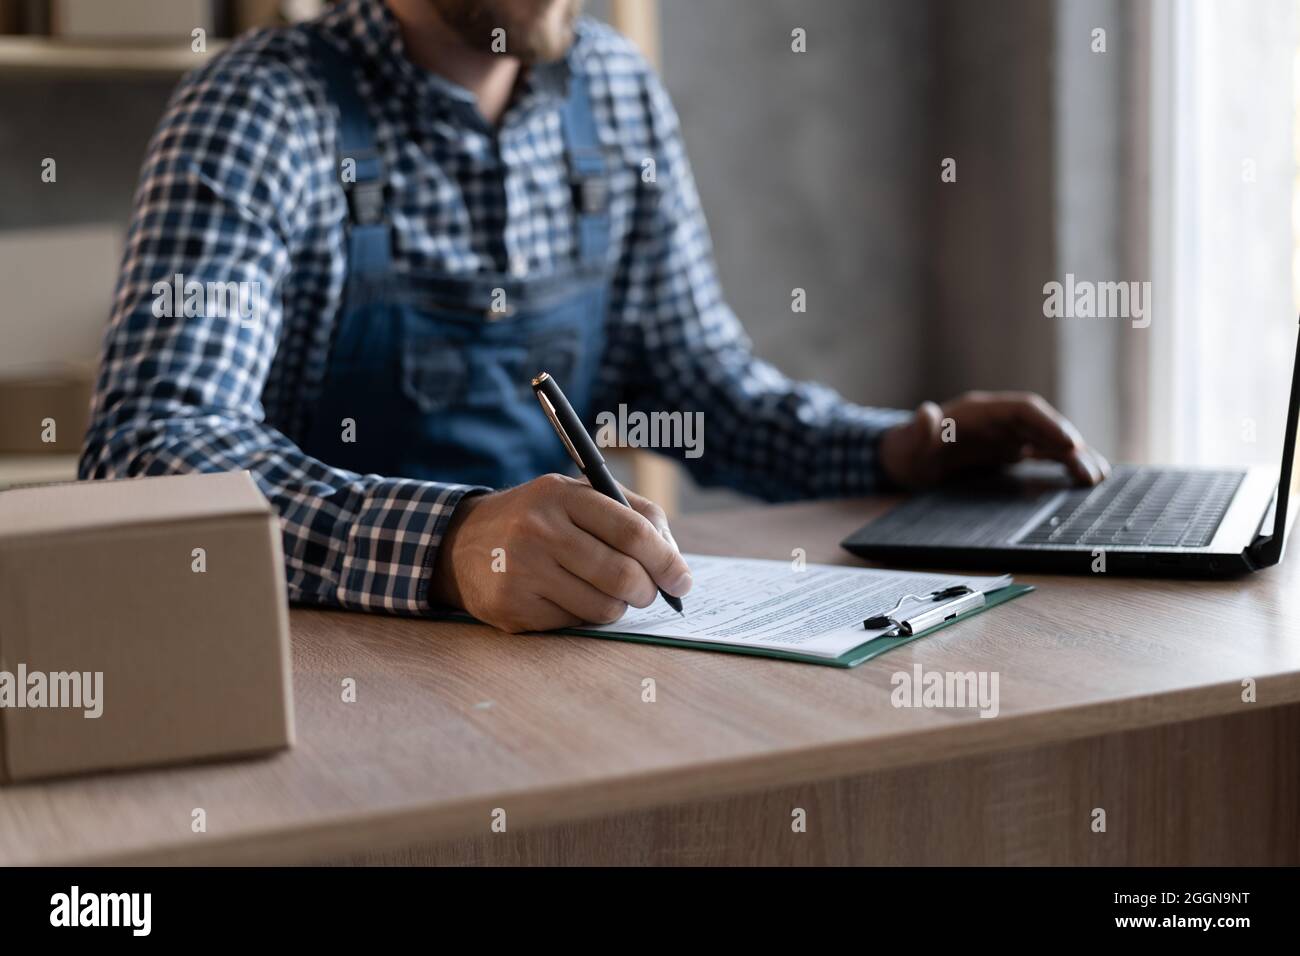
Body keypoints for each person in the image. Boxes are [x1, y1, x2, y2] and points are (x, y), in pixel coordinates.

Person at [80, 0, 1109, 633]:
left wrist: (896, 447)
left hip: (565, 659)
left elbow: (699, 386)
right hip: (331, 680)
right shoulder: (256, 109)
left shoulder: (615, 92)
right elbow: (148, 450)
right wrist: (452, 543)